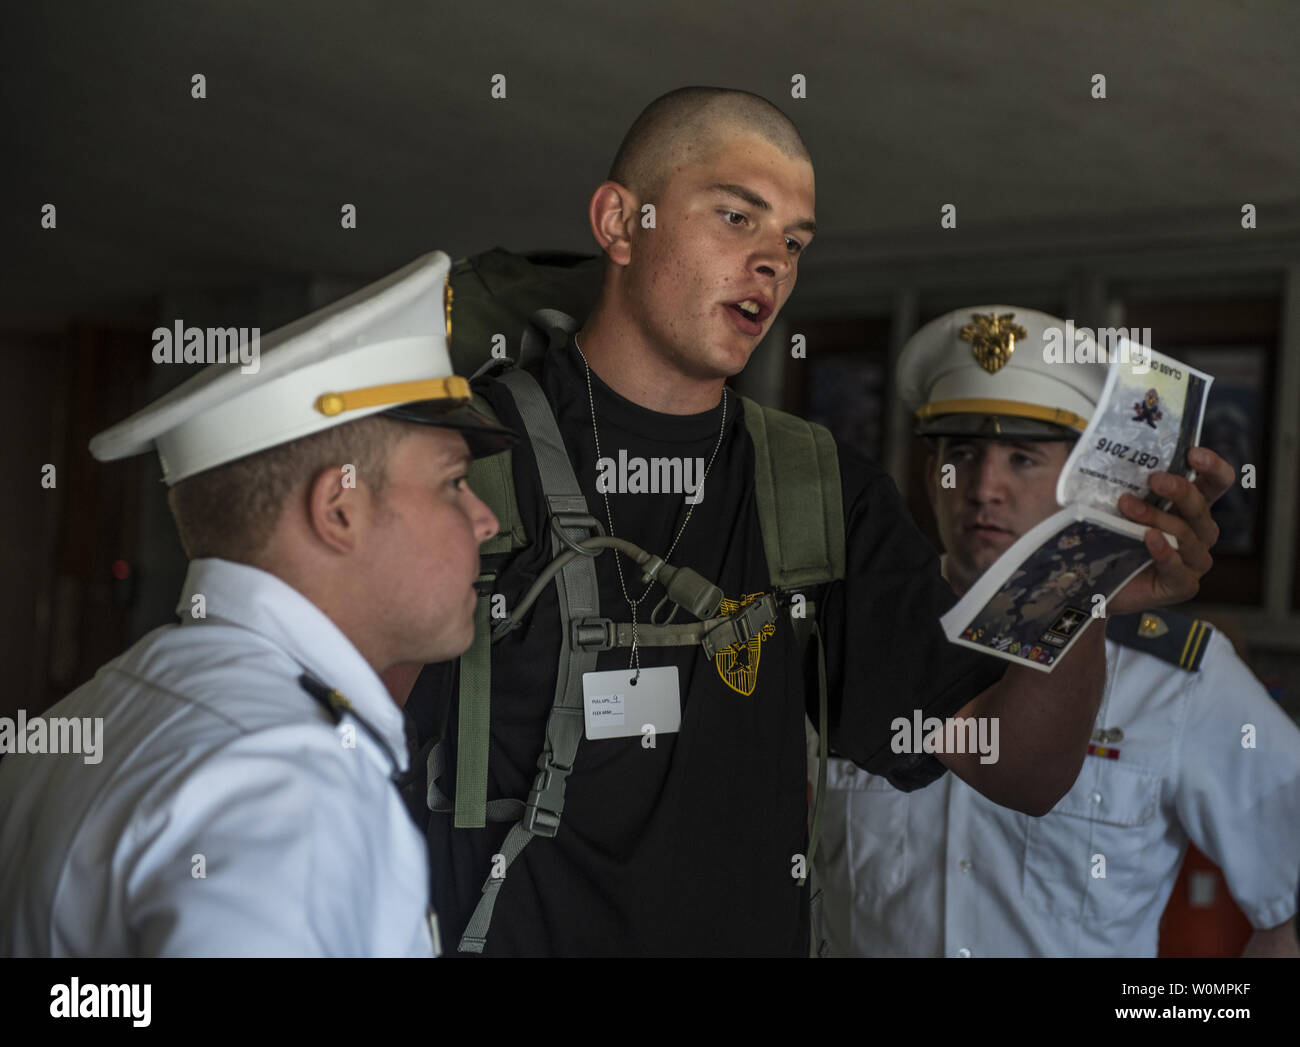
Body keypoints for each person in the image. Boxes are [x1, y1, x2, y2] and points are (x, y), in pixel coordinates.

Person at [402, 88, 1235, 957]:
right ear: (620, 222)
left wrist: (1086, 577)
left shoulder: (820, 487)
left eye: (792, 244)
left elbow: (1014, 763)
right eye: (736, 217)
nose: (771, 264)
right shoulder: (461, 461)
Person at [0, 252, 514, 957]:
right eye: (454, 483)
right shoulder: (287, 781)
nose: (484, 520)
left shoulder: (84, 717)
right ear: (340, 509)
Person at [815, 306, 1300, 958]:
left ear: (1087, 487)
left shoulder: (1178, 678)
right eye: (961, 454)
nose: (985, 487)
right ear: (933, 478)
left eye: (1022, 457)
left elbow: (1288, 906)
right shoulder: (848, 638)